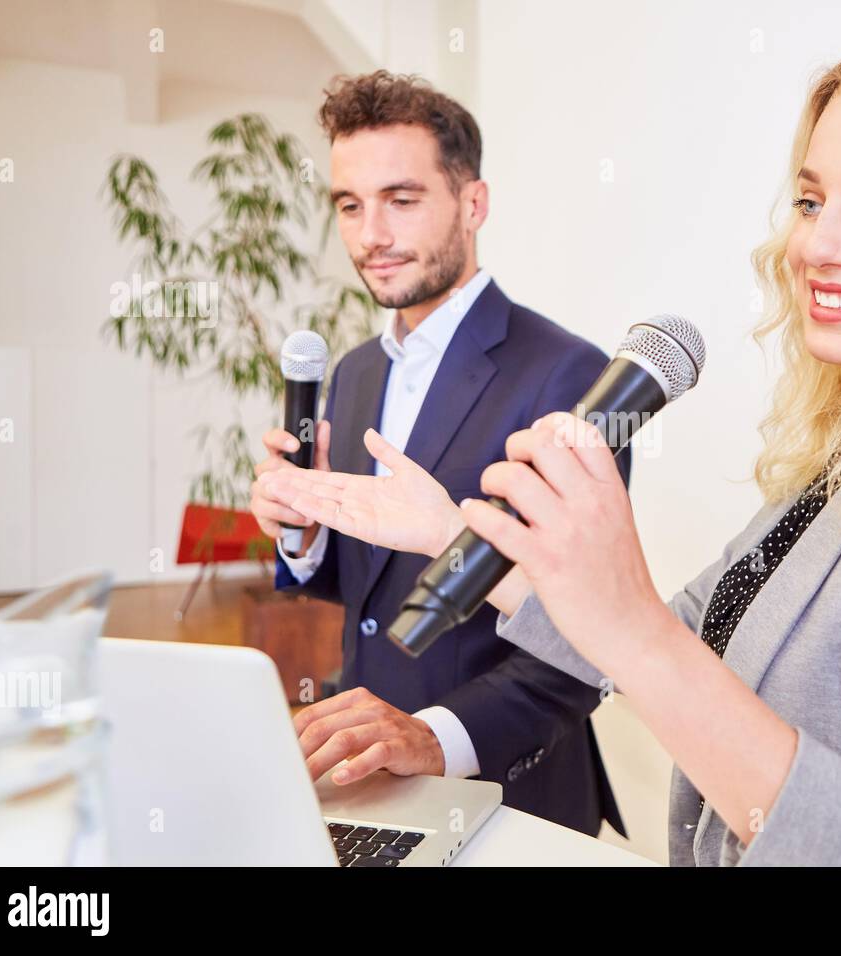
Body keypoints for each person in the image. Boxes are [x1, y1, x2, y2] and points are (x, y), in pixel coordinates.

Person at [262, 37, 841, 865]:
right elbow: (679, 642)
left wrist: (626, 620)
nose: (818, 243)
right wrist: (450, 534)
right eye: (812, 200)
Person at [249, 71, 628, 839]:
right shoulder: (354, 372)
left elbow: (590, 634)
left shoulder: (571, 375)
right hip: (370, 779)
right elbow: (363, 590)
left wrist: (432, 737)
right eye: (350, 206)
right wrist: (303, 531)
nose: (371, 235)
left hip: (508, 791)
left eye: (402, 199)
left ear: (473, 203)